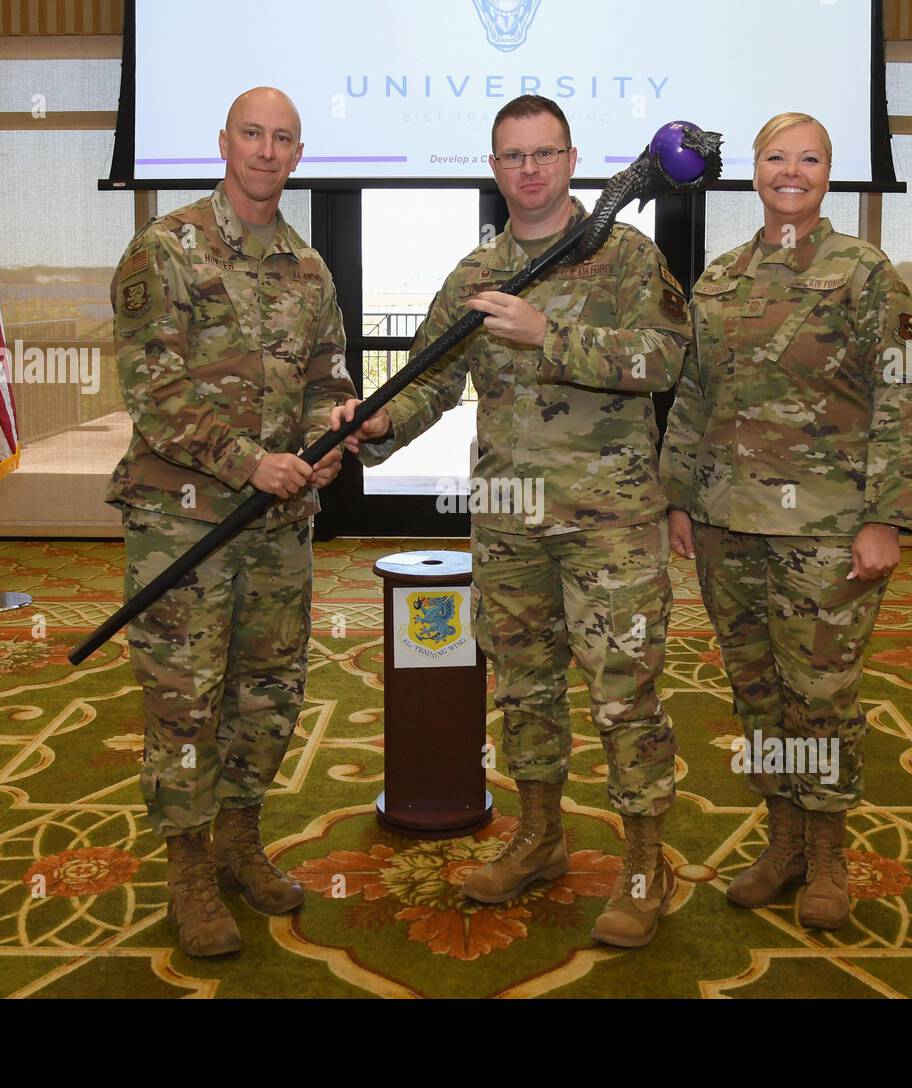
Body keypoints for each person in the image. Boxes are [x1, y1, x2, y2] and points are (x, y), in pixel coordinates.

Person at [332, 95, 691, 948]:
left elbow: (668, 356)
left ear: (572, 160)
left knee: (623, 696)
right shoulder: (473, 277)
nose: (529, 169)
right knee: (525, 690)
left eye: (545, 153)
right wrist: (384, 424)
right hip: (508, 520)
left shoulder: (628, 256)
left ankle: (647, 862)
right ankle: (540, 837)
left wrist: (549, 331)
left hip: (611, 520)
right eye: (512, 156)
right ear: (495, 168)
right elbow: (430, 381)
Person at [660, 113, 912, 929]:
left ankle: (827, 858)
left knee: (821, 696)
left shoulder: (865, 273)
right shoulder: (719, 280)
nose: (792, 171)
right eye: (777, 157)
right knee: (756, 694)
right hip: (726, 524)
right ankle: (779, 844)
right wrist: (678, 496)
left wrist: (887, 517)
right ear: (754, 171)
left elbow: (907, 395)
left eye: (809, 158)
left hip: (827, 530)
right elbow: (694, 397)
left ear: (828, 172)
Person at [108, 87, 356, 957]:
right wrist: (247, 460)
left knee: (269, 690)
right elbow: (153, 390)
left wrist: (334, 434)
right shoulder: (165, 250)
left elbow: (331, 377)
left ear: (296, 154)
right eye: (252, 134)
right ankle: (186, 872)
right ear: (225, 142)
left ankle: (240, 844)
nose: (265, 150)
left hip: (280, 525)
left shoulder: (309, 266)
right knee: (185, 700)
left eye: (282, 138)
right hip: (185, 521)